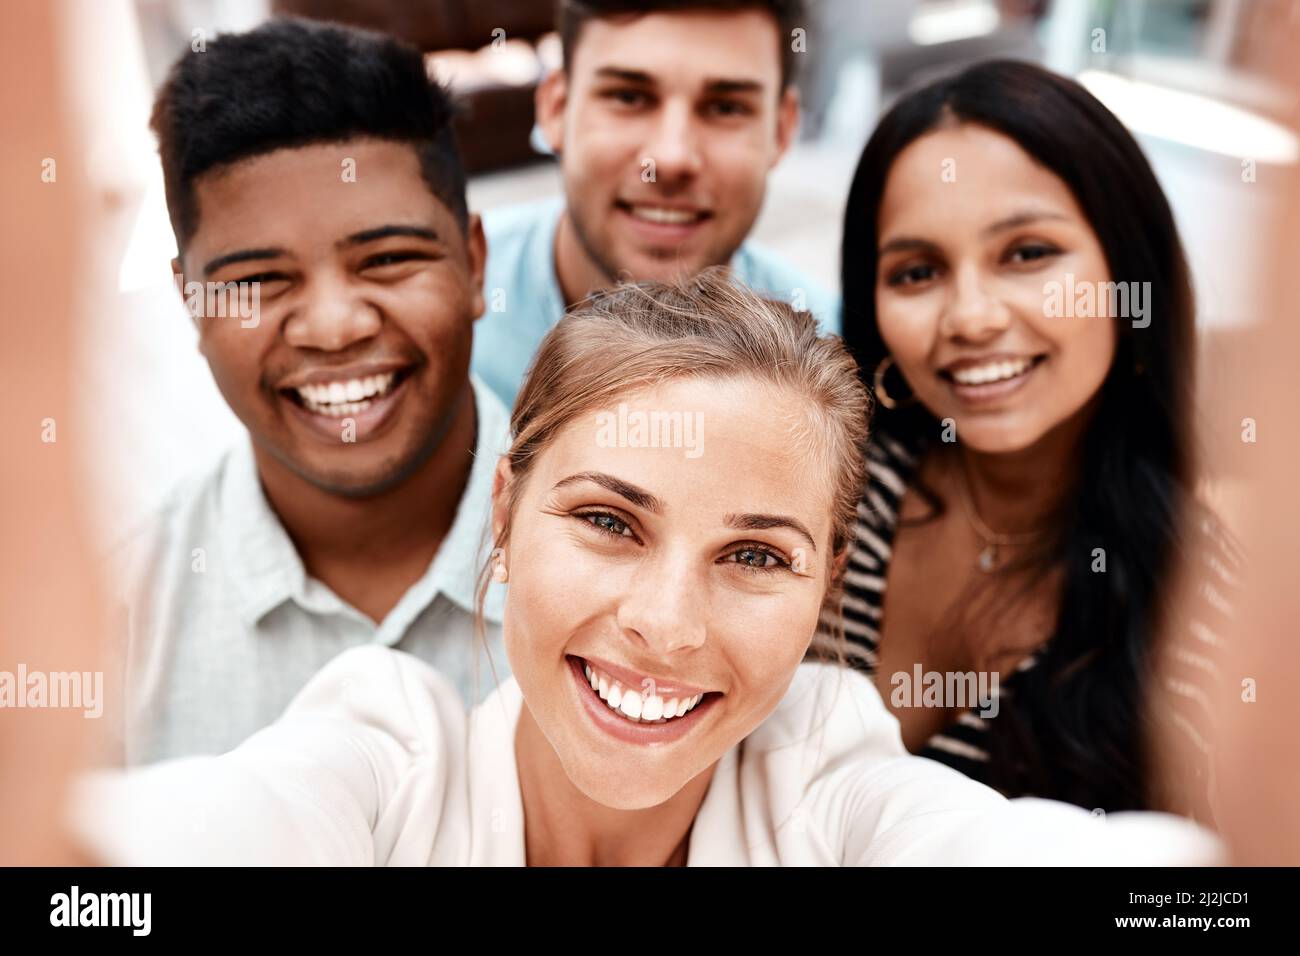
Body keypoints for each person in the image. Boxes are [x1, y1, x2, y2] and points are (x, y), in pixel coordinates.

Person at [68, 272, 1219, 866]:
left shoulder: (827, 786)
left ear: (826, 588)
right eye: (612, 522)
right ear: (506, 513)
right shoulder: (383, 765)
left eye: (757, 554)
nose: (666, 624)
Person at [834, 60, 1239, 815]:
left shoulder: (1205, 607)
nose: (971, 317)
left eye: (1027, 253)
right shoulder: (824, 488)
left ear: (1129, 274)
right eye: (918, 272)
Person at [108, 19, 510, 764]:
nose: (332, 328)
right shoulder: (109, 623)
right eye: (258, 280)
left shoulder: (650, 571)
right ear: (193, 304)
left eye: (388, 258)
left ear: (475, 265)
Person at [471, 0, 841, 407]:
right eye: (628, 97)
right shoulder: (448, 308)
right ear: (556, 109)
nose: (670, 158)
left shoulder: (835, 360)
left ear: (782, 129)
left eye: (725, 108)